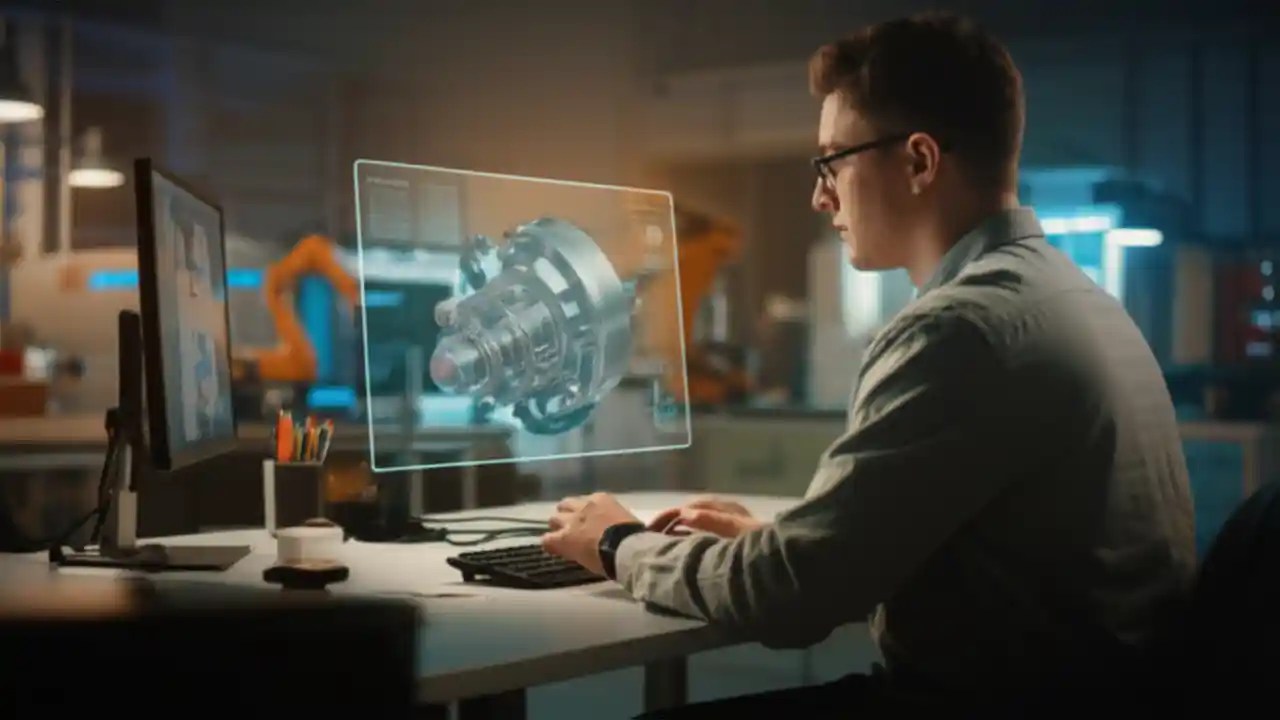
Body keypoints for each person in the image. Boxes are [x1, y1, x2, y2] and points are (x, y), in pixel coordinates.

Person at [542, 11, 1195, 716]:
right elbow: (969, 559)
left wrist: (616, 542)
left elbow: (789, 600)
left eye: (832, 162)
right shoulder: (1076, 298)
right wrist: (787, 543)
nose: (820, 196)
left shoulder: (958, 330)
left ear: (918, 161)